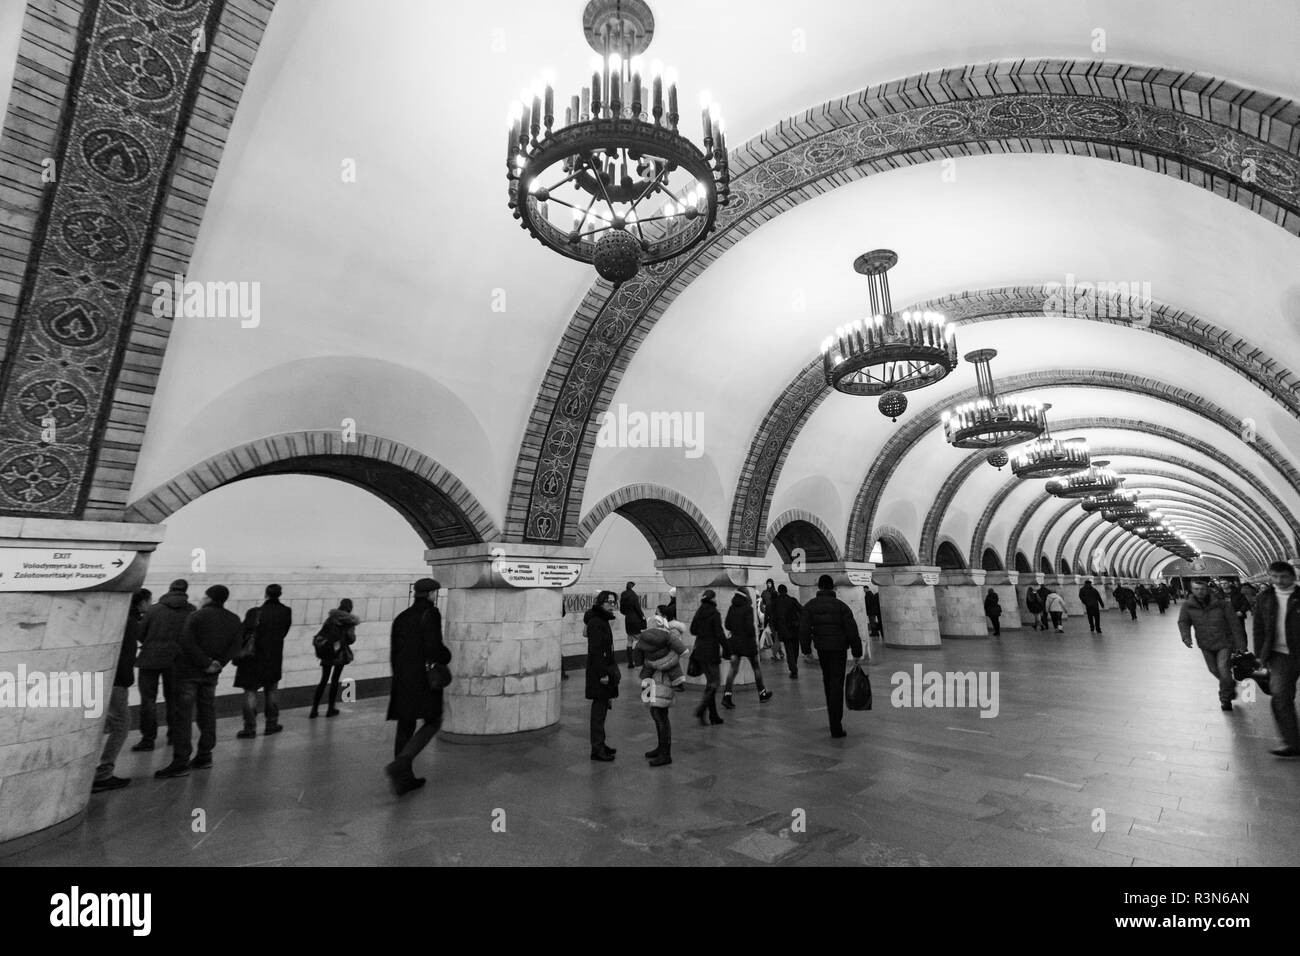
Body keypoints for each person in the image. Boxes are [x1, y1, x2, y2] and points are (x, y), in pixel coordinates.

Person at [156, 585, 243, 778]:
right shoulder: (234, 619)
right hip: (211, 675)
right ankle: (205, 755)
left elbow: (186, 641)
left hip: (188, 672)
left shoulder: (196, 616)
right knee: (207, 713)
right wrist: (217, 664)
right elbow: (235, 646)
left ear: (210, 597)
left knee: (183, 717)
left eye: (204, 596)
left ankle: (180, 761)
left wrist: (204, 662)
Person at [385, 578, 452, 793]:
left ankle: (403, 779)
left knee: (405, 724)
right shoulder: (430, 613)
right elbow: (434, 648)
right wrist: (446, 655)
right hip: (423, 680)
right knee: (433, 720)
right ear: (432, 594)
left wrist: (399, 675)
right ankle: (402, 762)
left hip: (402, 678)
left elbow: (394, 652)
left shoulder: (401, 617)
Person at [93, 589, 151, 793]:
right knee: (121, 724)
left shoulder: (119, 617)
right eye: (148, 602)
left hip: (105, 679)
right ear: (141, 603)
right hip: (117, 681)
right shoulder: (130, 622)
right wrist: (125, 679)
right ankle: (103, 774)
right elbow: (125, 655)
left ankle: (93, 770)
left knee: (106, 723)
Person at [798, 574, 864, 738]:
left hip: (822, 649)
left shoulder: (810, 606)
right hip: (839, 650)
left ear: (818, 587)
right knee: (837, 683)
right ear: (833, 588)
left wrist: (806, 650)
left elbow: (804, 630)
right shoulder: (841, 606)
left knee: (828, 682)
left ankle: (833, 720)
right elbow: (852, 630)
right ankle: (836, 725)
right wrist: (857, 652)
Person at [132, 578, 194, 752]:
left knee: (148, 700)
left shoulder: (154, 610)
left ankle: (148, 739)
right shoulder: (191, 611)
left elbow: (140, 633)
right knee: (174, 699)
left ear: (169, 588)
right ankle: (174, 735)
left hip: (150, 658)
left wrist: (150, 643)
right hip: (176, 660)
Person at [1252, 561, 1300, 757]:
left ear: (1293, 576)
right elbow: (1258, 628)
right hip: (1279, 656)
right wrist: (1259, 656)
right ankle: (1292, 743)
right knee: (1280, 697)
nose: (1279, 581)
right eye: (1275, 577)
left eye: (1284, 577)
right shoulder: (1264, 597)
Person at [1179, 579, 1247, 711]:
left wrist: (1240, 644)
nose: (1200, 592)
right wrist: (1185, 636)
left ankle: (1225, 699)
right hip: (1205, 644)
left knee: (1223, 669)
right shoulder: (1188, 605)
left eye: (1202, 589)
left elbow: (1234, 623)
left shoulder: (1222, 604)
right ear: (1192, 590)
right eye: (1196, 589)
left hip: (1224, 642)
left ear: (1208, 589)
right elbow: (1183, 621)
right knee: (1214, 670)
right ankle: (1229, 685)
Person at [234, 583, 292, 738]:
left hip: (252, 659)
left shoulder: (254, 612)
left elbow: (243, 633)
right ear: (280, 594)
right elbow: (284, 632)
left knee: (250, 692)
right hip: (273, 658)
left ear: (266, 594)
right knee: (271, 690)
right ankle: (271, 724)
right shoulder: (286, 611)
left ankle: (250, 728)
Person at [637, 619, 688, 766]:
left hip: (663, 679)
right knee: (657, 714)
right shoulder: (664, 636)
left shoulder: (670, 636)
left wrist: (656, 662)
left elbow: (677, 655)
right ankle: (661, 748)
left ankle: (665, 754)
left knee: (659, 715)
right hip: (655, 678)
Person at [585, 590, 620, 760]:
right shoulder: (596, 622)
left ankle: (601, 744)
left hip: (604, 670)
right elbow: (596, 651)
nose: (612, 605)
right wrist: (603, 674)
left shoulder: (602, 620)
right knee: (598, 712)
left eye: (613, 602)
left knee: (603, 709)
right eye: (608, 602)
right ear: (600, 603)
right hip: (600, 673)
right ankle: (597, 749)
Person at [722, 589, 772, 708]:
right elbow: (750, 627)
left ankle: (727, 696)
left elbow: (727, 624)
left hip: (735, 643)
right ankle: (762, 693)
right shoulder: (747, 608)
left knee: (732, 670)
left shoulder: (732, 608)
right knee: (756, 668)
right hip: (747, 644)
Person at [311, 598, 360, 718]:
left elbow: (322, 633)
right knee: (334, 681)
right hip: (339, 655)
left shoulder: (331, 618)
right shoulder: (349, 621)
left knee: (323, 680)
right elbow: (351, 639)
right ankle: (330, 709)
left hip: (327, 653)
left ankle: (314, 710)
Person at [689, 589, 729, 726]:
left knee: (710, 683)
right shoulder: (714, 613)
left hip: (700, 651)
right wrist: (727, 648)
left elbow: (692, 630)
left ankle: (713, 715)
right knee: (715, 683)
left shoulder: (699, 611)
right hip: (711, 651)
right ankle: (701, 709)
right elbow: (719, 633)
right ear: (713, 599)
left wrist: (703, 632)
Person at [773, 584, 803, 678]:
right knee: (795, 649)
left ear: (778, 591)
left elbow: (774, 617)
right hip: (794, 628)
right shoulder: (792, 600)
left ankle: (793, 669)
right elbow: (802, 610)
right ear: (786, 591)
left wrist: (775, 628)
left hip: (784, 629)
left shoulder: (776, 602)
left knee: (789, 650)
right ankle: (794, 666)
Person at [620, 581, 646, 669]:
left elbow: (622, 610)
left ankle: (630, 663)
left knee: (630, 640)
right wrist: (642, 616)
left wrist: (627, 614)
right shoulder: (633, 595)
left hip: (628, 619)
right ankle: (640, 661)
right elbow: (637, 608)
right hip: (635, 619)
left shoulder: (623, 595)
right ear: (632, 586)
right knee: (641, 640)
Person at [760, 578, 783, 662]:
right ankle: (779, 653)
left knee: (775, 639)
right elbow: (762, 604)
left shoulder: (774, 593)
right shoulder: (764, 593)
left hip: (772, 621)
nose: (768, 584)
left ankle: (777, 653)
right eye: (767, 583)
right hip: (773, 621)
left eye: (769, 583)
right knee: (775, 639)